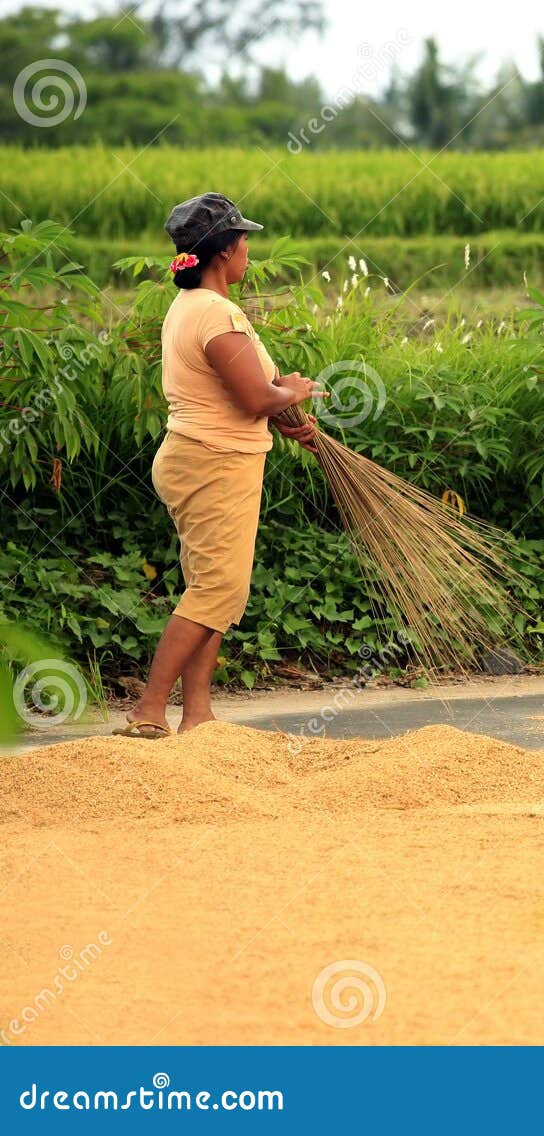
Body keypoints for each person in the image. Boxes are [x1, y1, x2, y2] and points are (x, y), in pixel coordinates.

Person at [116, 193, 323, 738]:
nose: (249, 251)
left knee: (211, 587)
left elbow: (242, 393)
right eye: (245, 240)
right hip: (213, 461)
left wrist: (290, 415)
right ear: (226, 250)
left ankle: (199, 714)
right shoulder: (215, 312)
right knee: (218, 591)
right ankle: (148, 709)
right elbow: (256, 399)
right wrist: (294, 390)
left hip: (204, 457)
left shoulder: (192, 308)